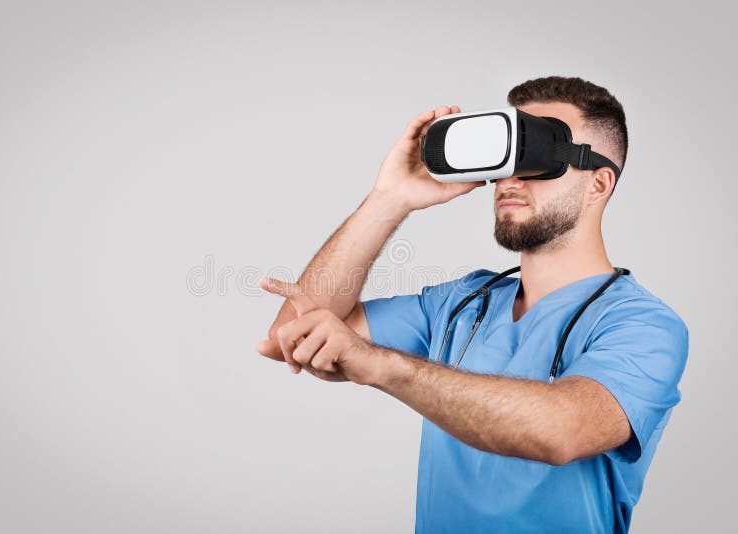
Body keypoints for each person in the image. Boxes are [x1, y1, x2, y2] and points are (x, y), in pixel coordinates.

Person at [256, 76, 689, 533]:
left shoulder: (643, 325)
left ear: (599, 184)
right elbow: (294, 329)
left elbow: (562, 431)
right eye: (508, 152)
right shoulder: (463, 303)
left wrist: (382, 365)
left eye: (538, 152)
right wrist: (390, 198)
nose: (512, 178)